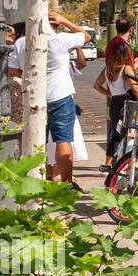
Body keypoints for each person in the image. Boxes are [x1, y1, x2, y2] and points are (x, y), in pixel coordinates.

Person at [39, 11, 91, 188]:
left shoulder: (22, 42)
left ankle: (35, 179)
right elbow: (86, 35)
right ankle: (66, 183)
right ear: (56, 25)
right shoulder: (59, 40)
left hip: (34, 98)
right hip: (59, 97)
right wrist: (65, 20)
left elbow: (14, 72)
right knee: (63, 140)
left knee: (34, 139)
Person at [95, 39, 138, 163]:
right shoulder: (126, 68)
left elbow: (96, 85)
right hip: (127, 103)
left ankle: (108, 163)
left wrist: (110, 93)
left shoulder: (108, 69)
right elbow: (134, 87)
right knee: (129, 134)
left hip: (115, 103)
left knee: (115, 135)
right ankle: (126, 163)